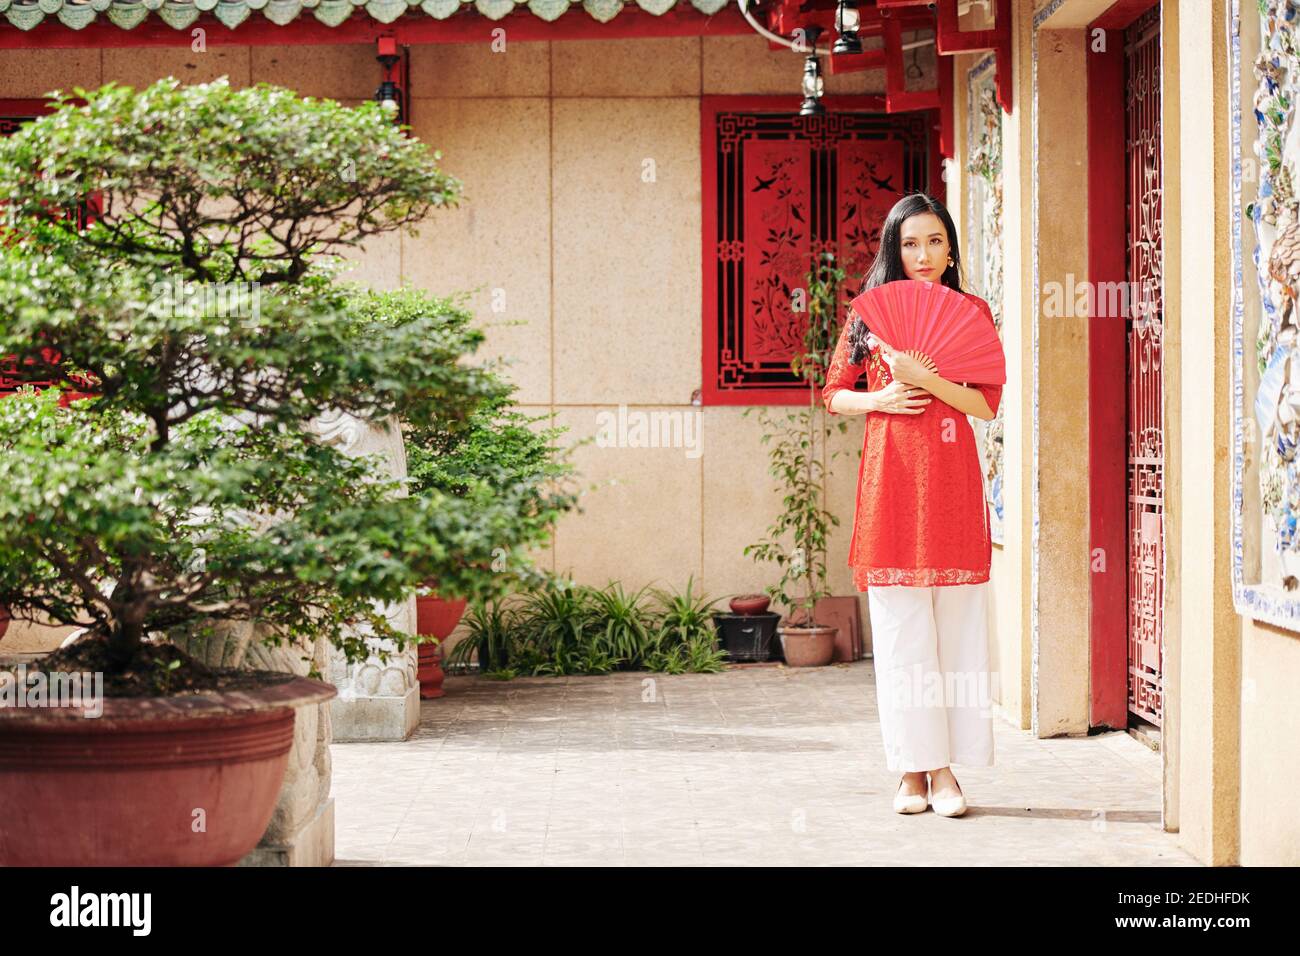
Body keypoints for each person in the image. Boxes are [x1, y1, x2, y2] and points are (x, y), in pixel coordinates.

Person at [821, 192, 1004, 818]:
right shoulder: (867, 318)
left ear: (950, 249)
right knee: (902, 633)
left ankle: (947, 771)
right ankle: (910, 772)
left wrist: (926, 380)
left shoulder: (972, 312)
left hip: (951, 484)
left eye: (933, 242)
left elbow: (983, 405)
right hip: (891, 484)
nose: (922, 255)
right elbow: (833, 395)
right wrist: (880, 400)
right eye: (909, 244)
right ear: (893, 252)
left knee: (956, 631)